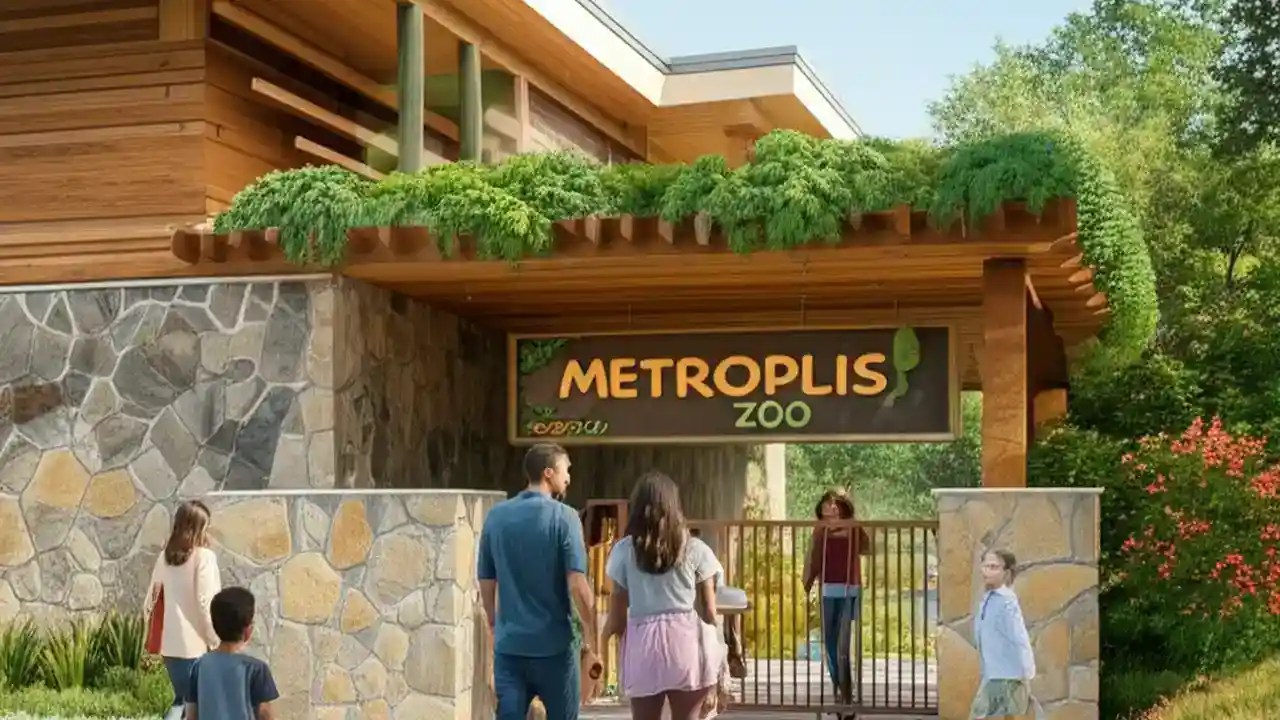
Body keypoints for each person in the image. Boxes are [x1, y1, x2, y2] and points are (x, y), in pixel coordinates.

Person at [478, 443, 601, 720]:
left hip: (510, 649)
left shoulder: (496, 517)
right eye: (565, 470)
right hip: (555, 650)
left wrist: (494, 626)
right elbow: (577, 585)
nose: (568, 478)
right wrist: (591, 640)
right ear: (548, 473)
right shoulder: (565, 518)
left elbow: (486, 579)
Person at [601, 471, 726, 720]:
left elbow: (616, 621)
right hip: (686, 645)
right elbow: (710, 614)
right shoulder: (695, 549)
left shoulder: (624, 551)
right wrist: (720, 661)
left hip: (643, 646)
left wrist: (601, 650)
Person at [144, 500, 221, 720]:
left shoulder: (164, 557)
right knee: (196, 705)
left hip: (169, 644)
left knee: (182, 700)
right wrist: (215, 640)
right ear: (198, 527)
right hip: (196, 644)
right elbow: (205, 603)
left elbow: (150, 600)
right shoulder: (204, 558)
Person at [801, 488, 871, 707]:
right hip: (828, 590)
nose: (831, 508)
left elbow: (866, 547)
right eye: (827, 505)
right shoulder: (820, 530)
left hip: (849, 590)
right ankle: (841, 689)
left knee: (843, 646)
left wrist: (852, 520)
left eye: (835, 504)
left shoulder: (853, 527)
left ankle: (846, 695)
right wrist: (808, 581)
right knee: (829, 644)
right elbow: (813, 557)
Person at [185, 586, 280, 720]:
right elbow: (265, 714)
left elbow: (191, 715)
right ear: (248, 631)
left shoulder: (199, 666)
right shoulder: (257, 669)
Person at [970, 550, 1042, 720]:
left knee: (980, 714)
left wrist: (1027, 669)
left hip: (1007, 675)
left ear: (1006, 573)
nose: (988, 571)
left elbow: (1019, 635)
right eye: (986, 566)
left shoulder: (1006, 600)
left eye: (994, 567)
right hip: (993, 672)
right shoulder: (987, 598)